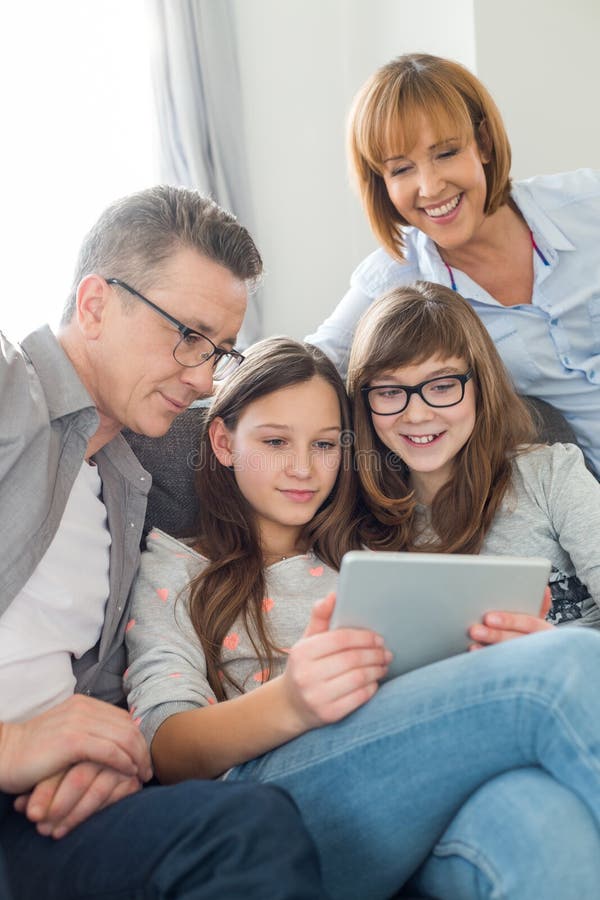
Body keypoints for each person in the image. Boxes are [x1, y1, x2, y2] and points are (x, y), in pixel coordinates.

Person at [126, 335, 600, 900]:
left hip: (416, 794)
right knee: (565, 666)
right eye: (275, 441)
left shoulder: (384, 548)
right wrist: (292, 702)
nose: (303, 468)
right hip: (281, 800)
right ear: (224, 443)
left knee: (544, 822)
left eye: (325, 445)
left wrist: (493, 649)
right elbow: (167, 749)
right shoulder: (177, 566)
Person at [0, 186, 328, 900]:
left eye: (219, 351)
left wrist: (106, 758)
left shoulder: (123, 488)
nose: (203, 378)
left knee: (251, 825)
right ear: (95, 305)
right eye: (187, 335)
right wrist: (12, 745)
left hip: (45, 811)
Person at [305, 52, 600, 476]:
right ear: (381, 184)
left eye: (446, 153)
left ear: (484, 143)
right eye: (401, 169)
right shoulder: (394, 278)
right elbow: (315, 363)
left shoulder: (588, 204)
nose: (429, 186)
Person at [346, 280, 600, 637]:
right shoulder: (357, 527)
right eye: (389, 391)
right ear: (364, 400)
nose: (416, 415)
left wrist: (551, 648)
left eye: (442, 386)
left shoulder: (552, 475)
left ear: (480, 386)